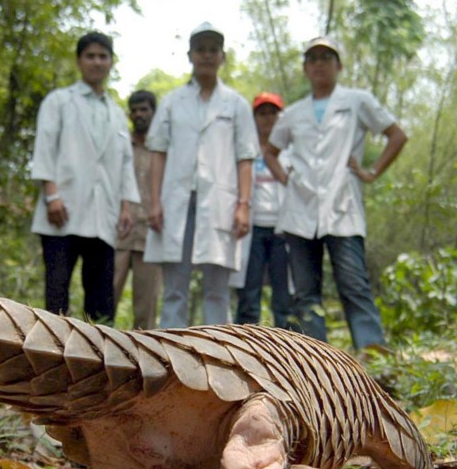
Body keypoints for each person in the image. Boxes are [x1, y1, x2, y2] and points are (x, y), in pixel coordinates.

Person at [266, 37, 407, 352]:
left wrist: (372, 172)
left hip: (342, 203)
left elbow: (396, 135)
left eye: (326, 57)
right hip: (300, 207)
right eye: (313, 58)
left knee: (354, 284)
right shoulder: (292, 113)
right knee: (305, 293)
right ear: (305, 68)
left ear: (338, 65)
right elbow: (271, 151)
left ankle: (375, 359)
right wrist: (285, 179)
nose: (319, 63)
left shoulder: (357, 100)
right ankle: (317, 361)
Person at [145, 23, 258, 329]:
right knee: (174, 289)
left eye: (213, 50)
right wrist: (154, 202)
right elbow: (157, 153)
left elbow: (245, 158)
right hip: (176, 201)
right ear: (190, 55)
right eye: (201, 50)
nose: (207, 55)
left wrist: (243, 204)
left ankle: (218, 356)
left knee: (217, 290)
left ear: (222, 57)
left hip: (221, 202)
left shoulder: (236, 105)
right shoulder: (171, 102)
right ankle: (169, 355)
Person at [28, 32, 137, 324]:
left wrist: (126, 206)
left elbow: (125, 163)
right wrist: (51, 195)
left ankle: (100, 361)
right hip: (63, 211)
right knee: (57, 294)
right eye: (90, 55)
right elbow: (45, 148)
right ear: (79, 61)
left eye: (103, 56)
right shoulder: (59, 101)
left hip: (104, 216)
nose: (97, 62)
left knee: (101, 300)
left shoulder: (116, 114)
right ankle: (52, 358)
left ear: (111, 62)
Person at [233, 92, 292, 328]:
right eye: (262, 114)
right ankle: (244, 346)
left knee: (284, 295)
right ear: (254, 117)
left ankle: (289, 349)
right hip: (252, 228)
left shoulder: (292, 148)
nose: (268, 119)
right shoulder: (245, 149)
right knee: (249, 294)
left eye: (272, 113)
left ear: (281, 116)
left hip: (283, 229)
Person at [113, 90, 163, 329]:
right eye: (134, 110)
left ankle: (142, 365)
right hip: (119, 232)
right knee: (105, 301)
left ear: (154, 112)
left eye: (144, 109)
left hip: (152, 236)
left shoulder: (163, 149)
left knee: (146, 312)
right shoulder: (120, 145)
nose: (139, 114)